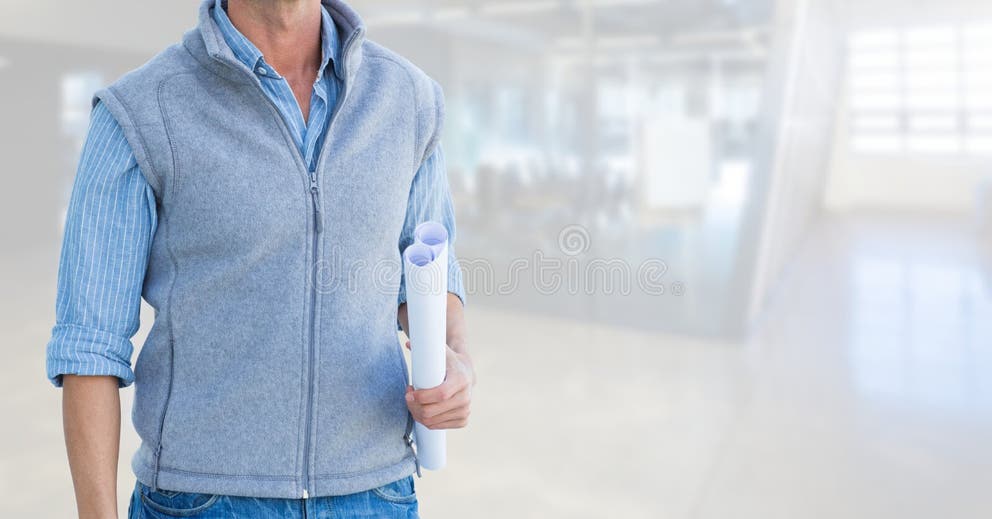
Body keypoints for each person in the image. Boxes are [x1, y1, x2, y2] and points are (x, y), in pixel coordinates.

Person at [45, 0, 475, 517]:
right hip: (201, 500)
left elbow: (427, 270)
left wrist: (456, 359)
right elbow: (89, 350)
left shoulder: (407, 100)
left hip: (375, 493)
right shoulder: (138, 114)